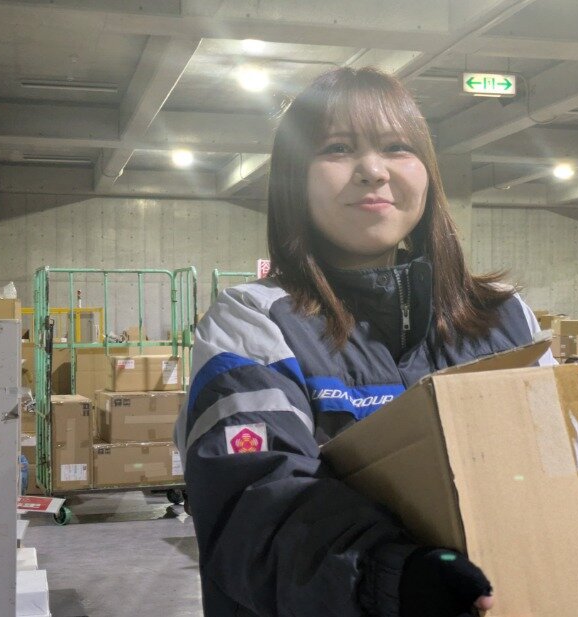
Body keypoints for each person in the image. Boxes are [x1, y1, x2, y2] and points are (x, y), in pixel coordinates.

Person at [175, 66, 556, 617]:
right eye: (337, 148)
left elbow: (559, 468)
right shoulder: (254, 324)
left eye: (397, 147)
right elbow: (252, 506)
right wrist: (388, 577)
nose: (373, 171)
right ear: (294, 179)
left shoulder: (504, 318)